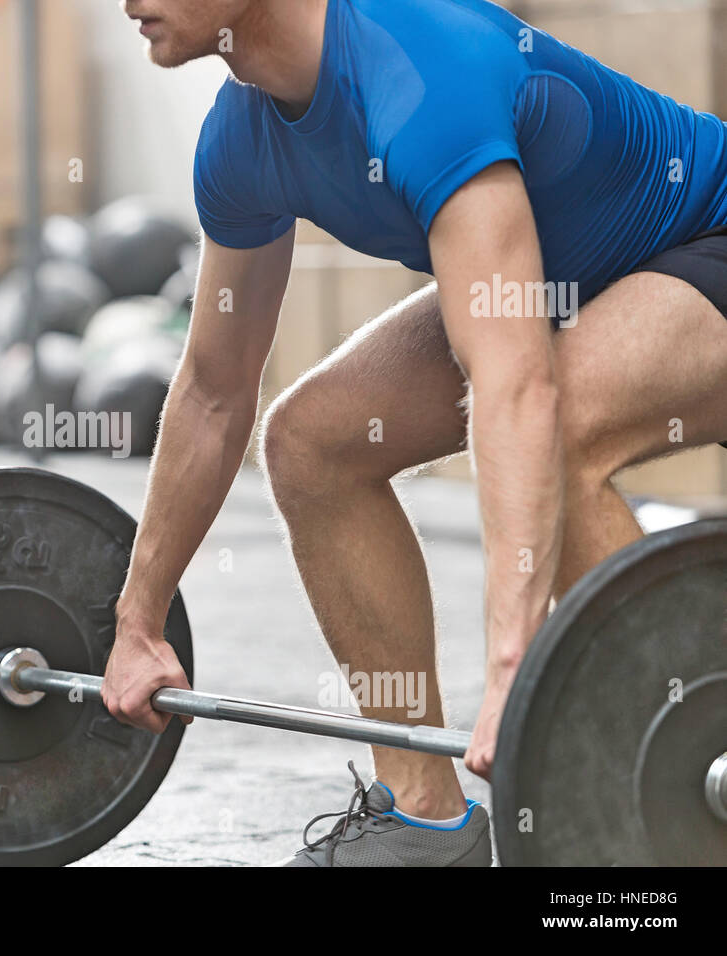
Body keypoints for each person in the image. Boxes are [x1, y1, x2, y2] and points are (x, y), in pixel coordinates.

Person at [106, 0, 727, 866]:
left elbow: (515, 389)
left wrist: (518, 670)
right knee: (313, 442)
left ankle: (674, 809)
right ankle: (424, 820)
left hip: (707, 236)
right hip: (562, 285)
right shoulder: (240, 143)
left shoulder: (423, 72)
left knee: (561, 419)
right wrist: (137, 622)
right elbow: (214, 390)